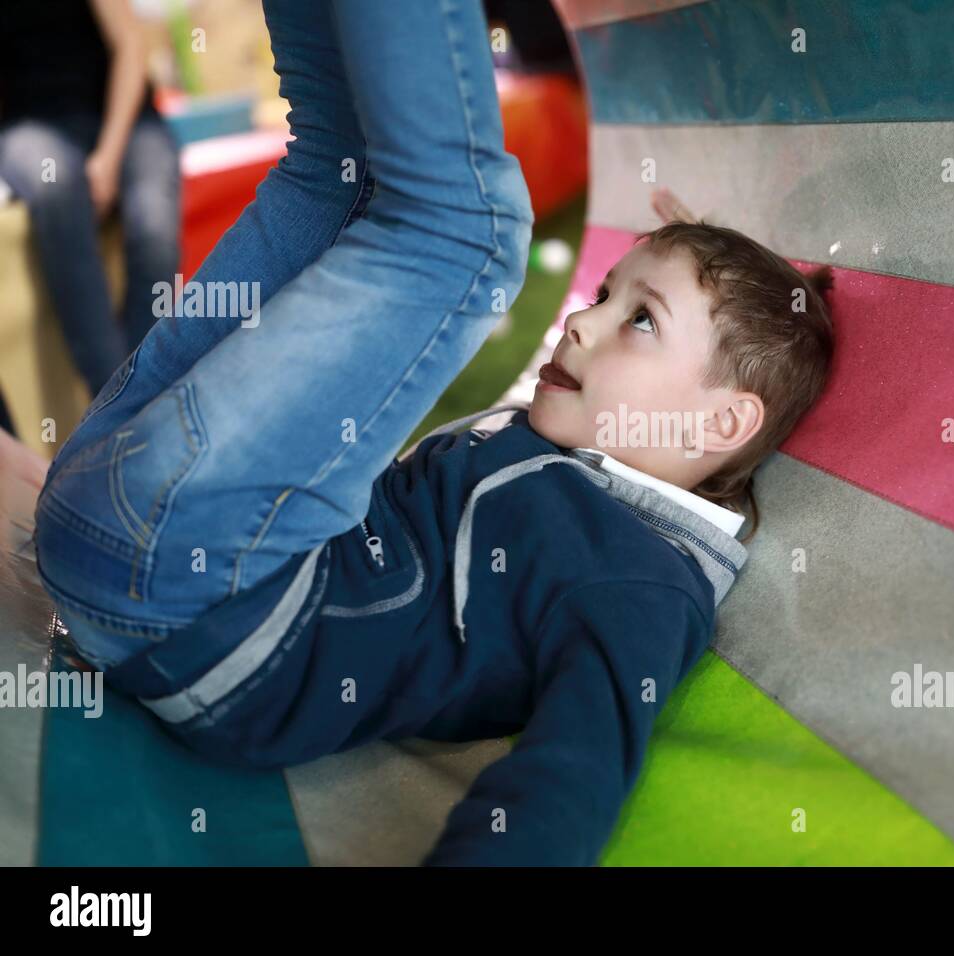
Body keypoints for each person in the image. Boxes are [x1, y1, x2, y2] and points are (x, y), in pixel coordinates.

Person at [32, 1, 834, 865]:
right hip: (121, 532)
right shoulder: (569, 451)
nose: (581, 325)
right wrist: (700, 275)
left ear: (722, 422)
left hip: (224, 606)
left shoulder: (642, 579)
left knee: (473, 236)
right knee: (335, 174)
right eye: (605, 296)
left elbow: (576, 772)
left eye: (640, 321)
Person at [0, 0, 181, 396]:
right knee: (58, 188)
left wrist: (108, 158)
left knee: (153, 221)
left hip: (125, 119)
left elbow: (131, 46)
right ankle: (116, 400)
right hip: (32, 126)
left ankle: (147, 383)